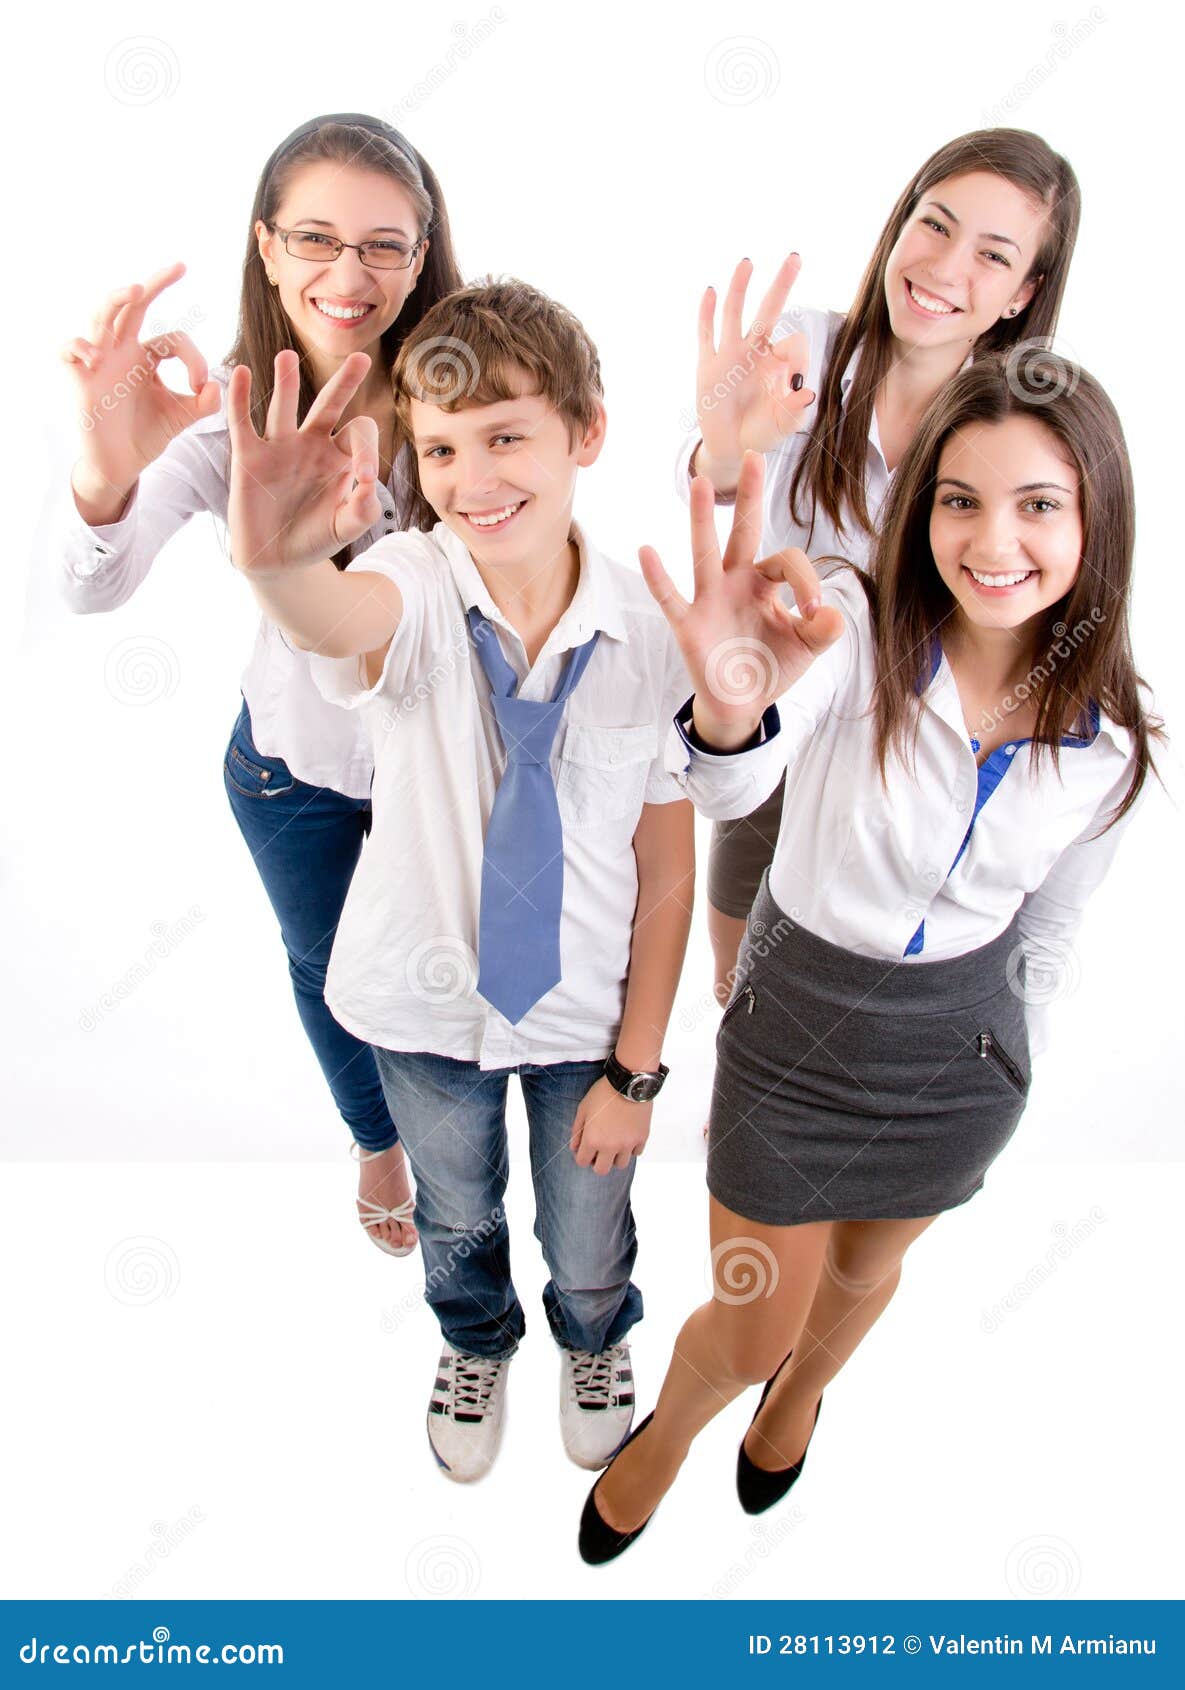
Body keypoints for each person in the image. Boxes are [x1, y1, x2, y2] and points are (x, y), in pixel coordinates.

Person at [578, 351, 1161, 1563]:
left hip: (962, 1055)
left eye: (1039, 503)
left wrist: (1015, 1056)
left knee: (865, 1266)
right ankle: (678, 1429)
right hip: (798, 1025)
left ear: (1096, 517)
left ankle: (799, 1402)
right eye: (959, 499)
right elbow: (729, 782)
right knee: (747, 1323)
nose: (993, 539)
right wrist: (733, 700)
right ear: (922, 510)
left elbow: (1051, 925)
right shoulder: (853, 630)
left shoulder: (1113, 738)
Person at [223, 279, 695, 1484]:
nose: (471, 478)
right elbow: (338, 613)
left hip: (585, 1018)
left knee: (590, 1229)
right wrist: (275, 557)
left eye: (505, 437)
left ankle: (593, 1336)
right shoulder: (420, 583)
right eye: (438, 449)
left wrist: (637, 1069)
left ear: (586, 434)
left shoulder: (645, 630)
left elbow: (665, 871)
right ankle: (475, 1340)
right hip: (425, 1016)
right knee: (457, 1213)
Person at [57, 114, 464, 1257]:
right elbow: (94, 589)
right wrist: (102, 467)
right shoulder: (223, 415)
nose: (351, 274)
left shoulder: (464, 393)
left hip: (446, 762)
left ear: (424, 251)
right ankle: (375, 1140)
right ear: (268, 248)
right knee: (329, 970)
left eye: (386, 245)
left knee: (446, 988)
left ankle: (463, 1168)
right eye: (318, 239)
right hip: (295, 773)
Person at [677, 127, 1081, 1016]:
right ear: (898, 223)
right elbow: (703, 485)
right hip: (771, 718)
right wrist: (729, 441)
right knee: (744, 984)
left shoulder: (1007, 421)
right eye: (933, 225)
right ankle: (748, 1096)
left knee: (882, 992)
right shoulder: (807, 351)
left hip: (904, 746)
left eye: (992, 254)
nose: (943, 267)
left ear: (1024, 293)